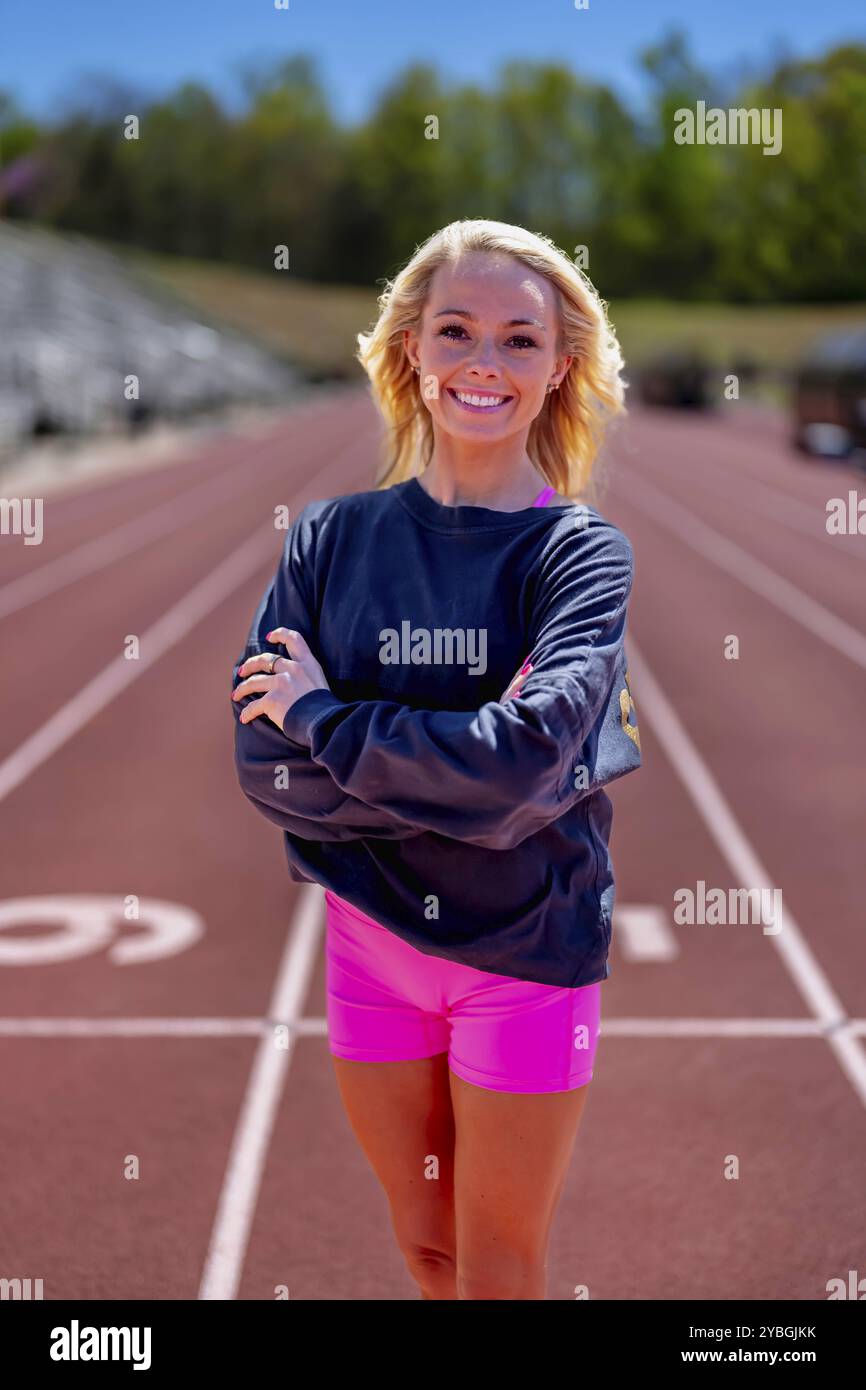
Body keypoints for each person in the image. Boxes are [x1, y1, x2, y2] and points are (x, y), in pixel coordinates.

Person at [230, 218, 642, 1300]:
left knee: (499, 1270)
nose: (483, 362)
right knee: (427, 1254)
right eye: (456, 329)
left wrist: (327, 715)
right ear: (410, 347)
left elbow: (518, 764)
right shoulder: (327, 540)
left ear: (559, 368)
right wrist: (466, 768)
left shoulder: (578, 556)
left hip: (526, 952)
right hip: (370, 948)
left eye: (518, 340)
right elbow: (262, 768)